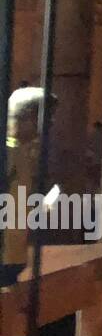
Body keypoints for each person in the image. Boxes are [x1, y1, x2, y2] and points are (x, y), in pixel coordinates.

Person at [1, 87, 46, 288]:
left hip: (13, 254)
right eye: (46, 118)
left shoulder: (19, 151)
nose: (48, 125)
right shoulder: (9, 151)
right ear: (28, 117)